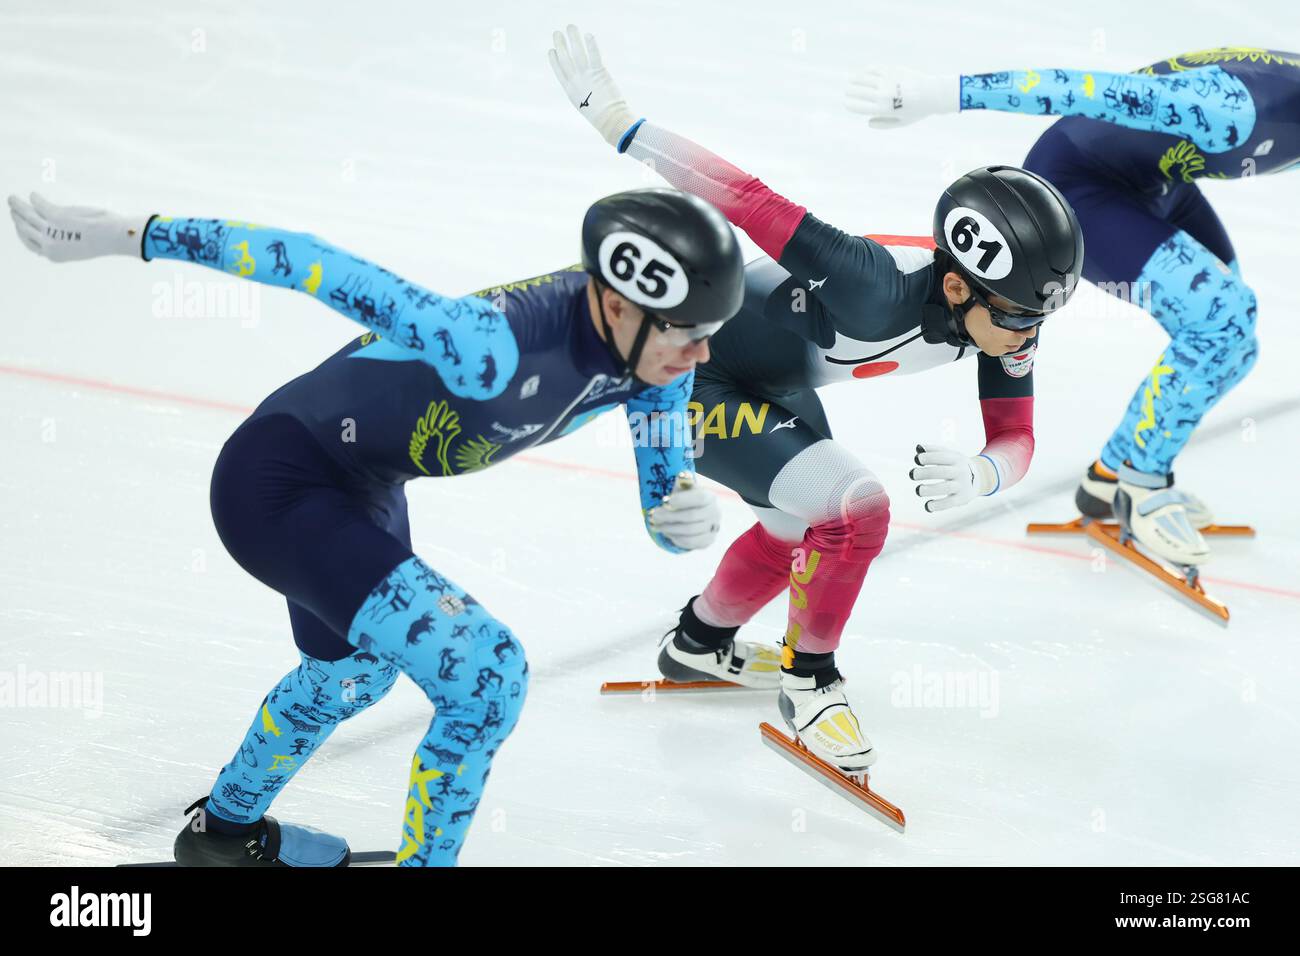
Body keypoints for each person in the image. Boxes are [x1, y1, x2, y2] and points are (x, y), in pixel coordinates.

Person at [7, 185, 741, 865]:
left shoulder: (661, 365)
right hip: (277, 481)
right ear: (618, 306)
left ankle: (224, 837)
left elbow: (663, 495)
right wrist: (131, 235)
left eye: (713, 332)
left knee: (351, 677)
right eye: (691, 332)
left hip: (362, 487)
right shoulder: (489, 343)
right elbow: (308, 262)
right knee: (487, 676)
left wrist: (682, 512)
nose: (703, 354)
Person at [549, 26, 1083, 773]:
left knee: (797, 527)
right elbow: (745, 198)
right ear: (958, 286)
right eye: (1022, 317)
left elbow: (1016, 440)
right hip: (692, 372)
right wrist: (622, 126)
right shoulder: (873, 286)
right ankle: (809, 684)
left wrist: (983, 473)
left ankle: (698, 645)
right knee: (856, 509)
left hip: (772, 379)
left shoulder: (996, 315)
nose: (1030, 336)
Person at [847, 47, 1300, 566]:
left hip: (1153, 180)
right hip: (1079, 188)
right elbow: (1080, 88)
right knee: (1220, 320)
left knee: (1232, 340)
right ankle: (1141, 486)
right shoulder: (1232, 109)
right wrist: (939, 92)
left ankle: (1110, 478)